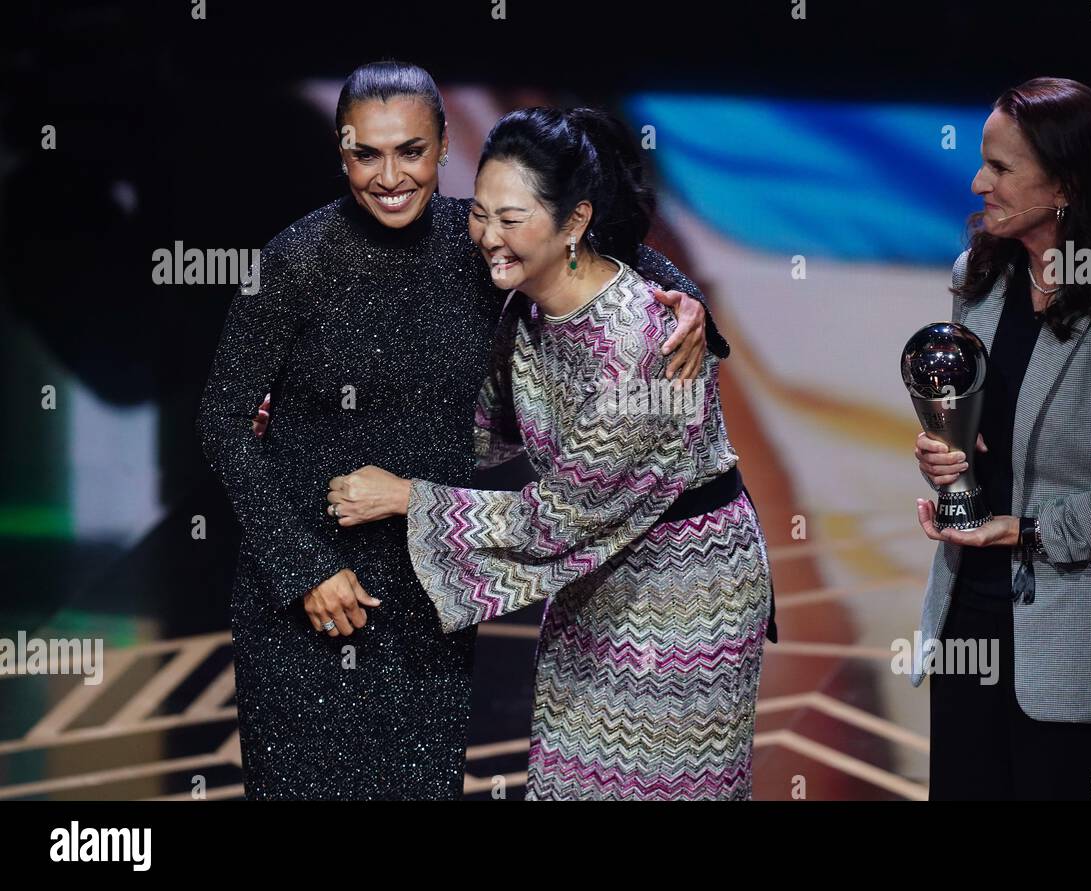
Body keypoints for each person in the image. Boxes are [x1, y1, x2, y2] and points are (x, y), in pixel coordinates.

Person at [196, 62, 721, 799]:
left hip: (428, 598)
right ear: (340, 151)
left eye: (410, 150)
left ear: (444, 148)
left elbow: (621, 252)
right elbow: (222, 421)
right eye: (366, 153)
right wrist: (301, 569)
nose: (389, 176)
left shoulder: (481, 243)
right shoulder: (293, 262)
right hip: (304, 603)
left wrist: (691, 305)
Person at [328, 107, 776, 800]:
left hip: (687, 592)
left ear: (573, 223)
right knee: (570, 780)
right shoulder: (529, 302)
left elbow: (559, 516)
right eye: (479, 214)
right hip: (597, 576)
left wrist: (406, 495)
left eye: (511, 219)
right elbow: (478, 427)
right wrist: (320, 418)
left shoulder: (639, 347)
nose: (487, 236)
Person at [910, 77, 1091, 800]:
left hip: (1081, 643)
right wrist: (944, 463)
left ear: (1066, 183)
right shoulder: (975, 280)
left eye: (1002, 168)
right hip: (968, 615)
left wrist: (1030, 530)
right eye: (984, 161)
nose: (978, 181)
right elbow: (981, 441)